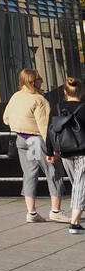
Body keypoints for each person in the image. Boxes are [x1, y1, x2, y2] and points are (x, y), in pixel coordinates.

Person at [2, 68, 66, 222]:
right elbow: (44, 127)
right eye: (40, 78)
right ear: (33, 81)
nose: (42, 80)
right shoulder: (39, 100)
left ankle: (31, 213)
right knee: (53, 171)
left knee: (29, 174)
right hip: (36, 139)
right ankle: (56, 211)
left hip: (22, 139)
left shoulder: (16, 96)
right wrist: (53, 150)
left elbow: (6, 118)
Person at [48, 78, 85, 233]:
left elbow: (50, 130)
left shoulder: (56, 108)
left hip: (64, 152)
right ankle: (74, 223)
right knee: (80, 186)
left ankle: (76, 217)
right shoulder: (84, 108)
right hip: (83, 152)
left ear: (64, 91)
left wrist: (50, 151)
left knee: (78, 184)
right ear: (81, 91)